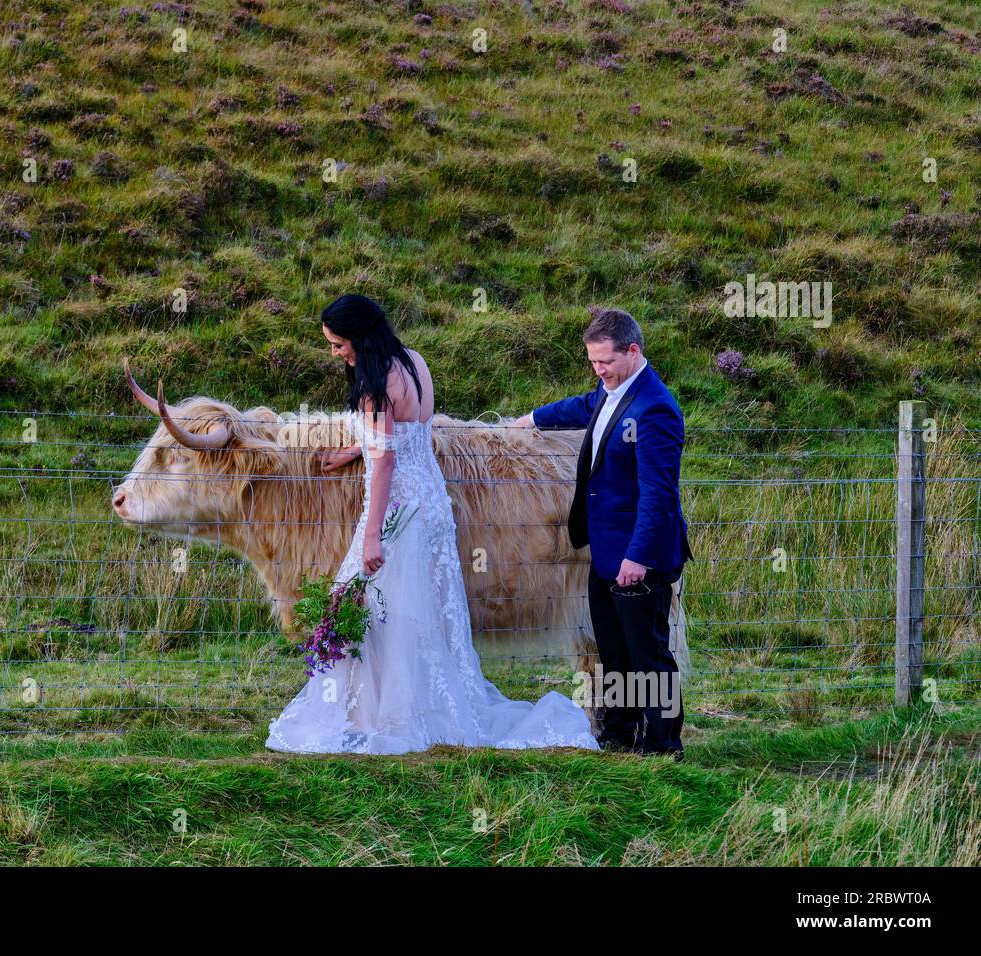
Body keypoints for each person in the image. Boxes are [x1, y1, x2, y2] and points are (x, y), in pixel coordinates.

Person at [265, 294, 598, 754]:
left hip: (399, 507)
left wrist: (371, 534)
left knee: (379, 607)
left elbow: (384, 465)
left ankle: (388, 714)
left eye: (338, 344)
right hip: (432, 504)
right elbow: (401, 434)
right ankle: (431, 705)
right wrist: (351, 450)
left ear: (359, 336)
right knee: (426, 608)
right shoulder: (412, 362)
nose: (336, 353)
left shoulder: (373, 387)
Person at [514, 307, 693, 758]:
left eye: (605, 362)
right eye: (592, 363)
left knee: (648, 656)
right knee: (612, 653)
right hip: (604, 552)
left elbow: (658, 496)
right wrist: (532, 419)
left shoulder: (656, 411)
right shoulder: (611, 389)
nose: (598, 371)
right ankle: (617, 734)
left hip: (639, 557)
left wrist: (638, 558)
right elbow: (585, 406)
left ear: (633, 352)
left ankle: (663, 744)